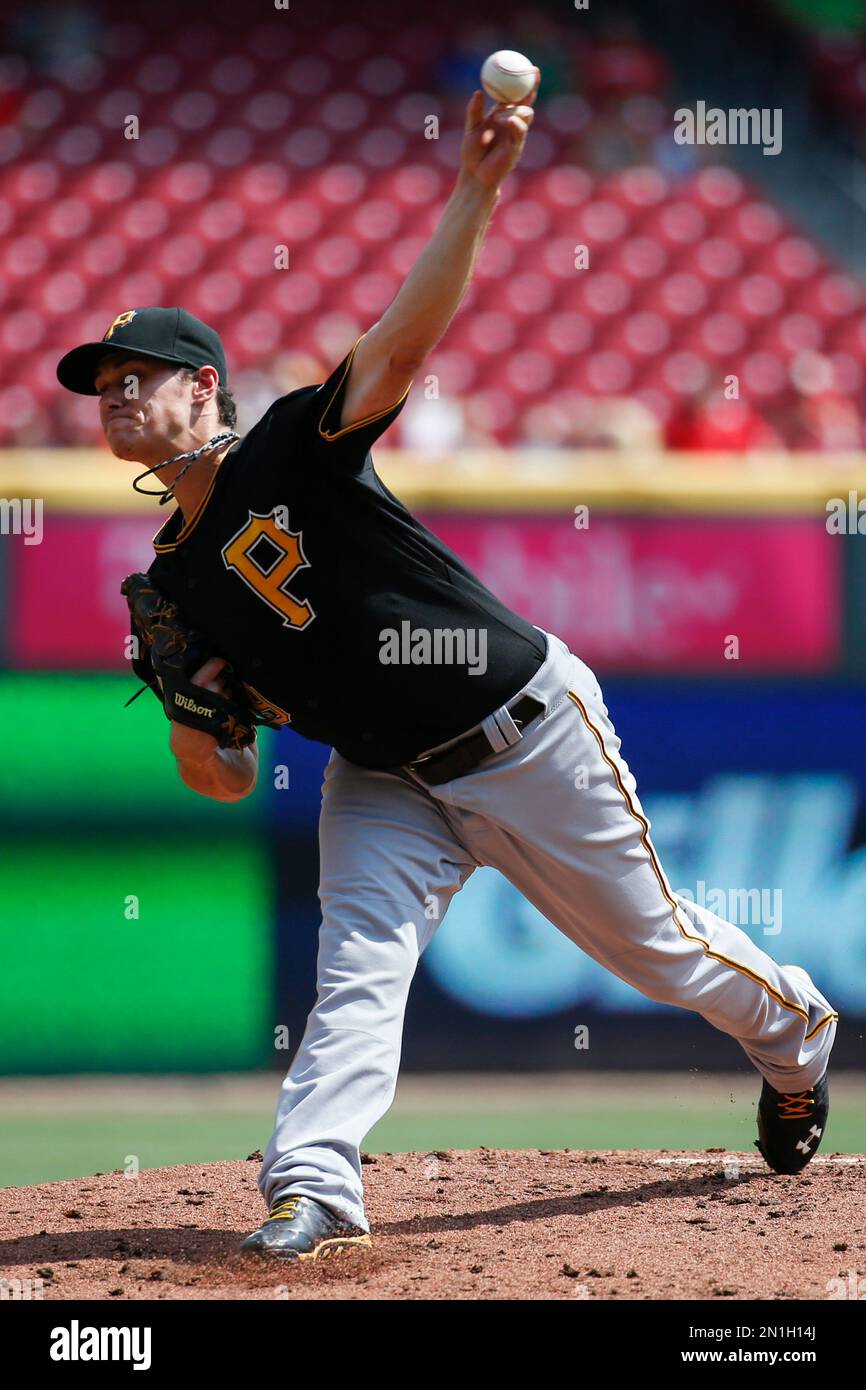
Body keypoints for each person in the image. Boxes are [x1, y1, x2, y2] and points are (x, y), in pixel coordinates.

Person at [57, 78, 837, 1263]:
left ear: (201, 384)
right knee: (354, 967)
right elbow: (219, 780)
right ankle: (312, 1186)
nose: (112, 395)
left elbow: (401, 342)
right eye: (98, 385)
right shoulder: (166, 591)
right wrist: (195, 723)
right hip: (382, 774)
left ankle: (795, 1039)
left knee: (653, 949)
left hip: (521, 726)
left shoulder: (285, 450)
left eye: (135, 374)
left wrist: (474, 189)